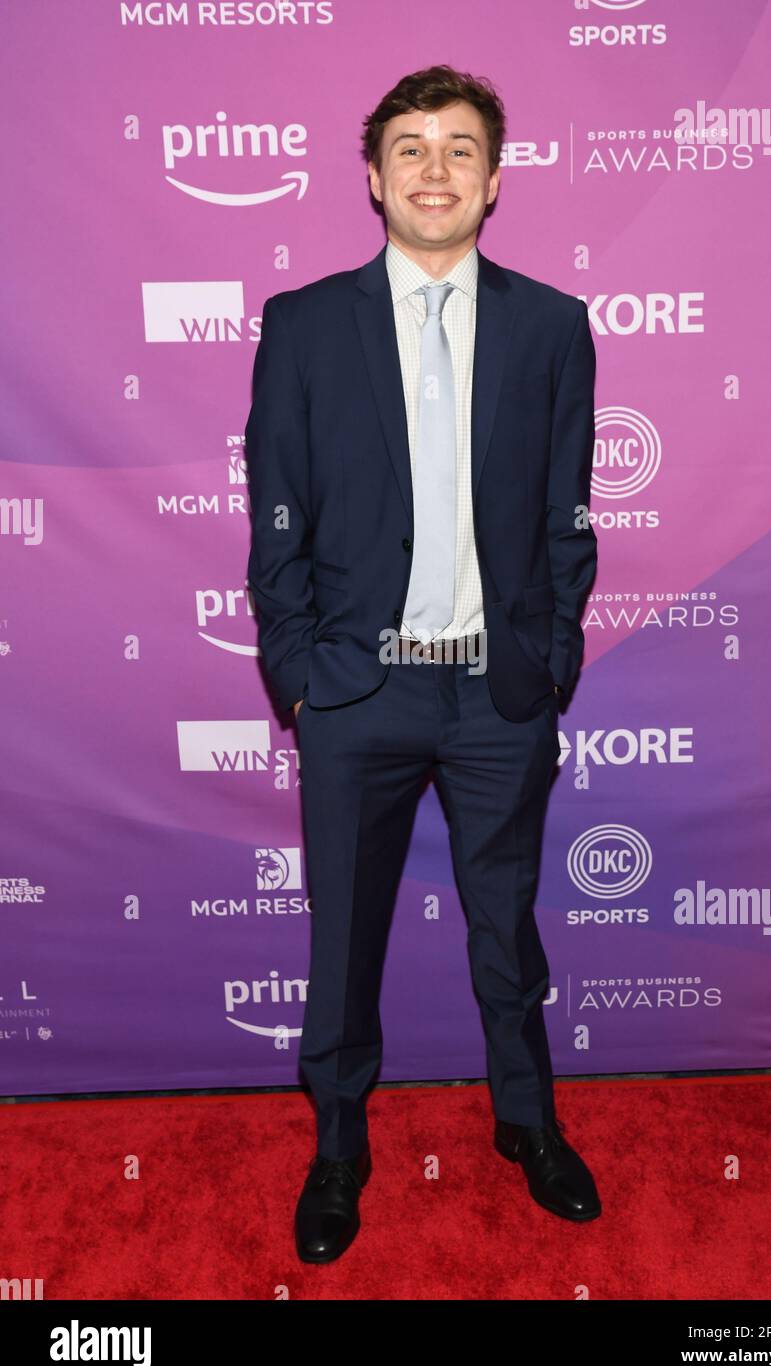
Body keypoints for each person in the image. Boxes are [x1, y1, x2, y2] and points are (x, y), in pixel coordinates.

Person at [245, 64, 600, 1264]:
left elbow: (563, 517)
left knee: (505, 926)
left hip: (498, 692)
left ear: (493, 181)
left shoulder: (550, 325)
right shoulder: (302, 325)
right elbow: (276, 515)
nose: (433, 169)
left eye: (458, 149)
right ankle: (339, 1145)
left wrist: (550, 662)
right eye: (409, 148)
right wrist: (300, 674)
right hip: (356, 690)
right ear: (373, 177)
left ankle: (527, 1121)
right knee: (343, 940)